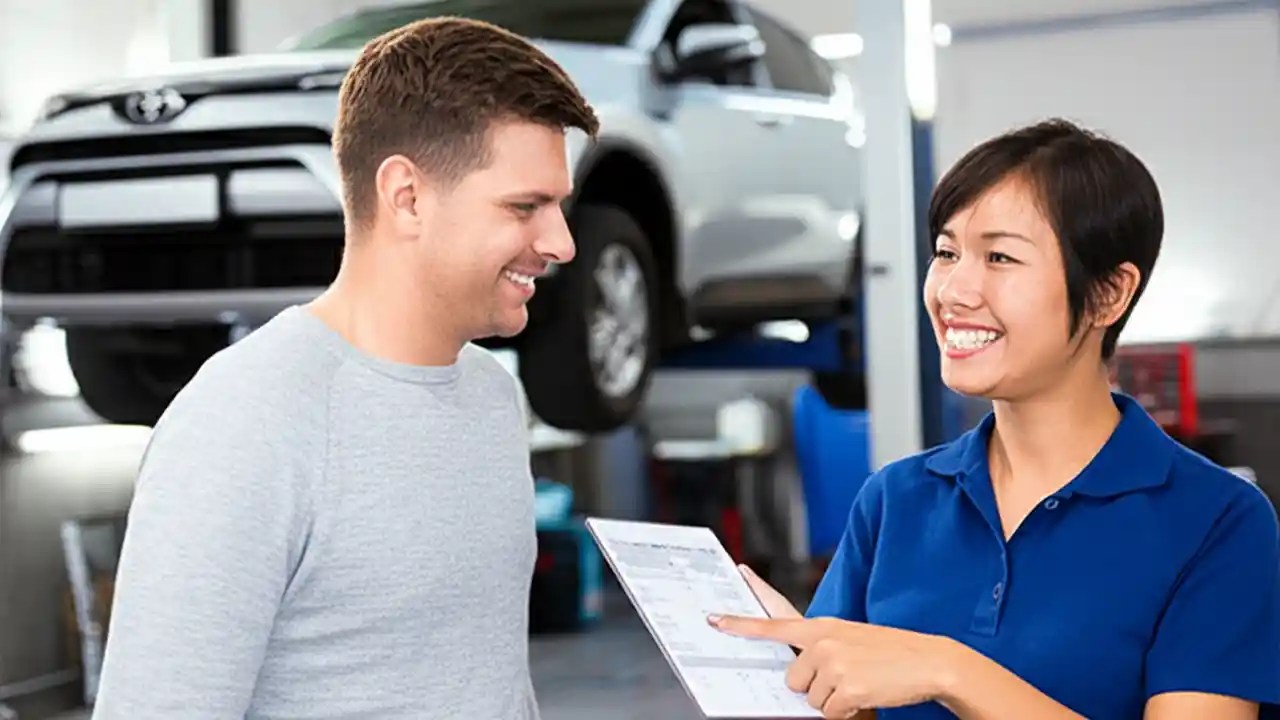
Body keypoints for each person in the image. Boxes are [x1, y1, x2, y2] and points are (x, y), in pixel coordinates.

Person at [93, 17, 597, 719]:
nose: (562, 243)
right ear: (406, 196)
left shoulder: (490, 396)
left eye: (559, 206)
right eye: (525, 207)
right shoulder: (246, 421)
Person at [711, 119, 1280, 719]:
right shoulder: (895, 500)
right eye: (946, 253)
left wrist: (950, 670)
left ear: (1108, 293)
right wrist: (792, 681)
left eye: (1000, 257)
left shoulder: (1217, 522)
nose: (954, 291)